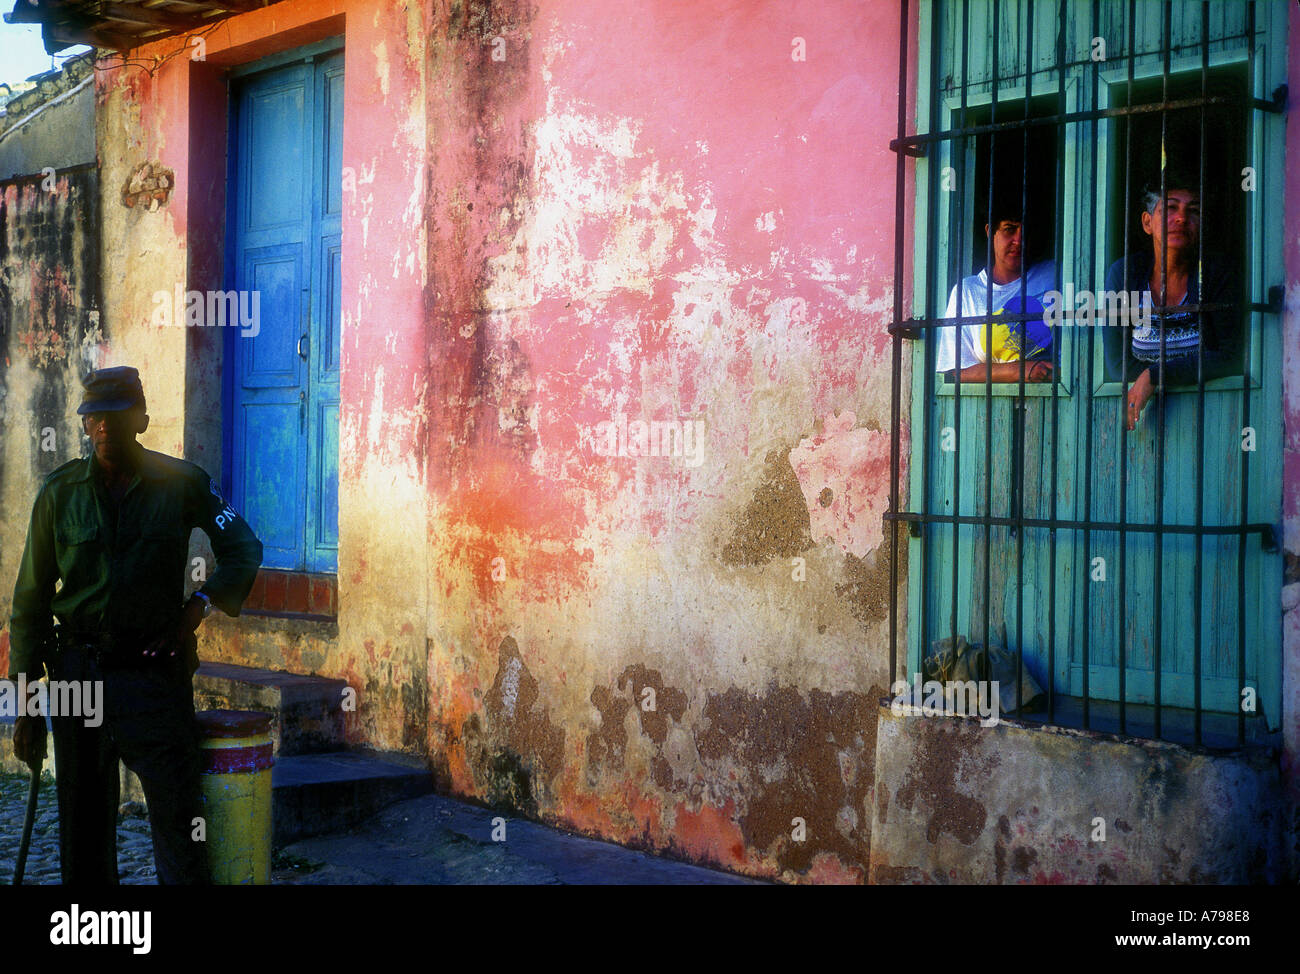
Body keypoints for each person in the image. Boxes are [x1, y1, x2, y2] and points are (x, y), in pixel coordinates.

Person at [9, 366, 263, 884]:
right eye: (93, 416)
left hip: (155, 677)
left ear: (141, 419)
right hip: (77, 680)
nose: (104, 427)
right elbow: (29, 605)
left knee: (179, 828)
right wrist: (25, 707)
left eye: (117, 415)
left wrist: (197, 609)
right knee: (83, 840)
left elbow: (243, 547)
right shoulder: (58, 496)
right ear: (84, 424)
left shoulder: (182, 483)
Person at [1104, 172, 1241, 430]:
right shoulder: (1126, 274)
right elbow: (1116, 365)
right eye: (1169, 208)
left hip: (1214, 419)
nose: (1181, 218)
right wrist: (1185, 370)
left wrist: (1154, 374)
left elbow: (1230, 357)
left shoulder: (1216, 274)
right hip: (1145, 424)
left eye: (1193, 211)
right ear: (1147, 222)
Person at [936, 200, 1058, 383]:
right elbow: (957, 370)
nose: (1019, 240)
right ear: (990, 232)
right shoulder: (968, 292)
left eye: (1026, 231)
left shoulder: (1056, 276)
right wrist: (1020, 371)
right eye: (1009, 229)